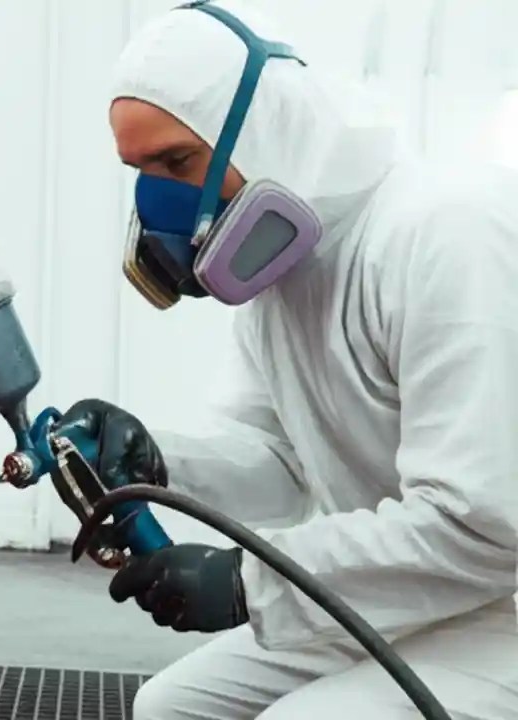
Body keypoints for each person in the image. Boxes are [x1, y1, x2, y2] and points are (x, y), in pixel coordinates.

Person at [48, 1, 518, 717]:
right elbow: (283, 465)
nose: (159, 197)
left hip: (498, 609)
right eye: (140, 170)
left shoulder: (440, 236)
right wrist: (158, 464)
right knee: (168, 709)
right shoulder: (281, 279)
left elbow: (482, 525)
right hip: (408, 593)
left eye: (177, 161)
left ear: (263, 132)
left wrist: (250, 584)